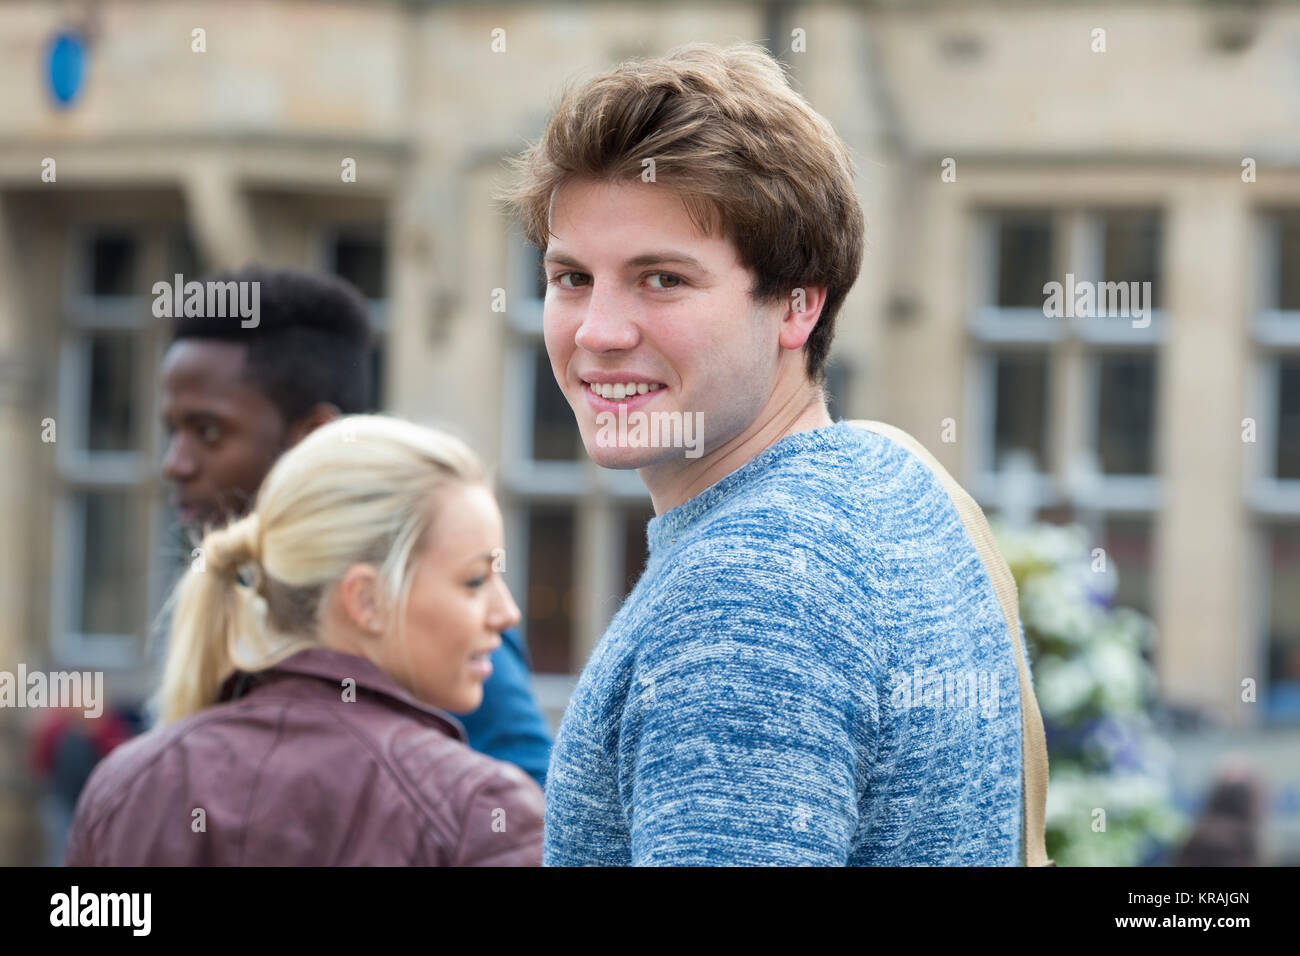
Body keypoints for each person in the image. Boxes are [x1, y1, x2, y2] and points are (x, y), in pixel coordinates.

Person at [500, 41, 1051, 865]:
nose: (598, 333)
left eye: (662, 279)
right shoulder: (892, 477)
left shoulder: (747, 591)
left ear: (798, 307)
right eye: (572, 277)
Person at [66, 415, 544, 865]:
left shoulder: (126, 786)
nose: (507, 613)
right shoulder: (480, 813)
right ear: (368, 600)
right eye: (476, 581)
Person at [159, 266, 552, 788]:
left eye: (207, 432)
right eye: (173, 431)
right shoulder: (229, 595)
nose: (175, 463)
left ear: (313, 436)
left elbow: (536, 812)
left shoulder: (438, 632)